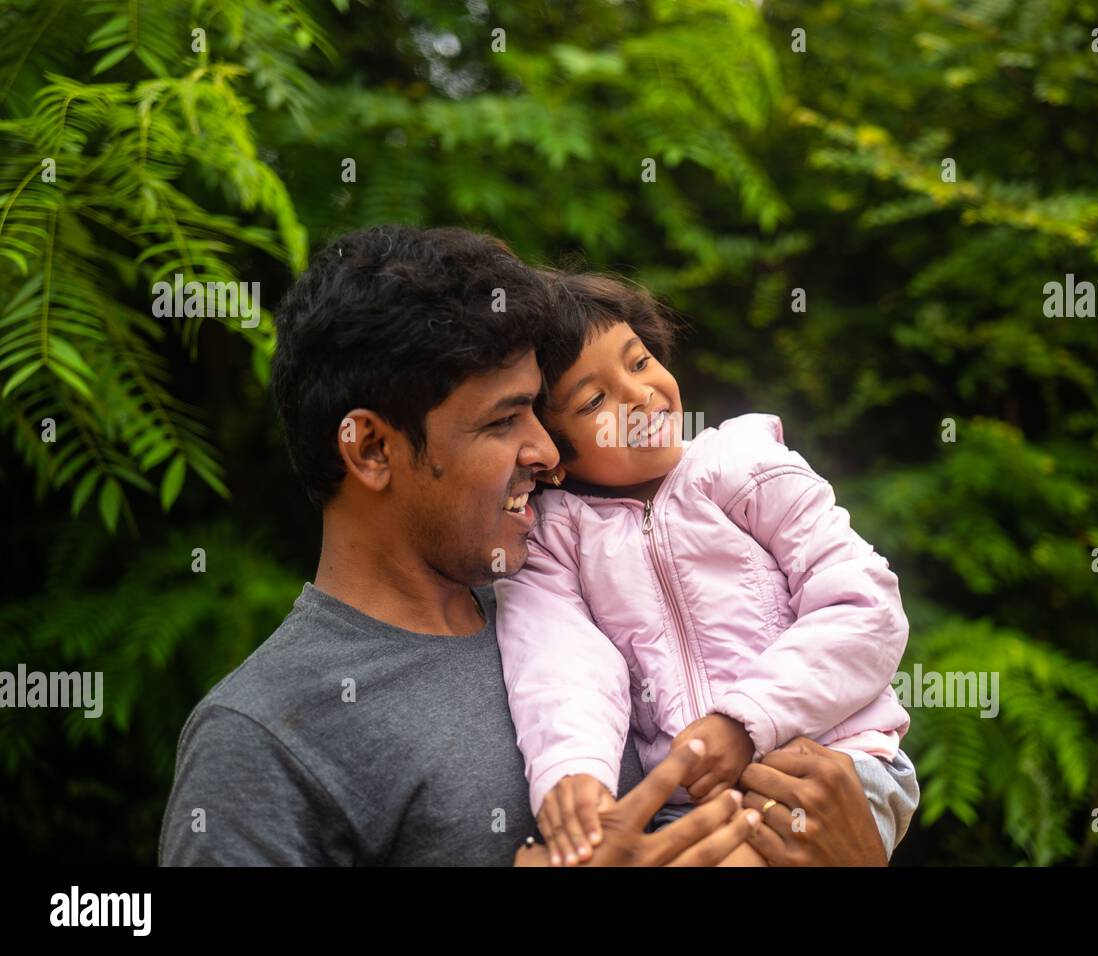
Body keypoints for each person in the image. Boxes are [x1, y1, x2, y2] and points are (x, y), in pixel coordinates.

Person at [159, 224, 899, 866]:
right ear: (371, 449)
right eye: (504, 420)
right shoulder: (263, 738)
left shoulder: (569, 590)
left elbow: (854, 617)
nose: (548, 452)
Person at [494, 271, 919, 867]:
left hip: (834, 761)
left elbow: (863, 606)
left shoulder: (743, 465)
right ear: (554, 456)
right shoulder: (555, 538)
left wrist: (744, 721)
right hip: (687, 797)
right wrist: (575, 774)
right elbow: (558, 662)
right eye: (594, 400)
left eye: (639, 363)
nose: (640, 395)